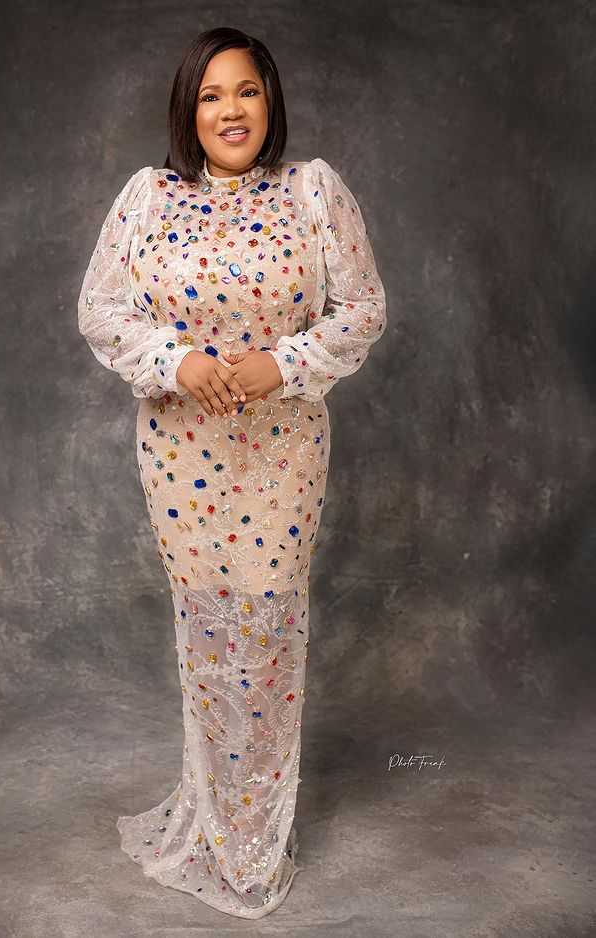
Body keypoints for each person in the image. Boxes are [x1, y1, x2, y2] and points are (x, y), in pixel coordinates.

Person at [76, 26, 387, 919]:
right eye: (211, 96)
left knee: (266, 632)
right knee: (208, 636)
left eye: (246, 91)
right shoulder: (148, 197)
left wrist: (282, 364)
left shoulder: (311, 191)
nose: (231, 111)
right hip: (181, 455)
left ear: (270, 99)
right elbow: (100, 310)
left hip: (281, 453)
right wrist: (176, 362)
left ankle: (253, 844)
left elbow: (363, 308)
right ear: (189, 110)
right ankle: (216, 825)